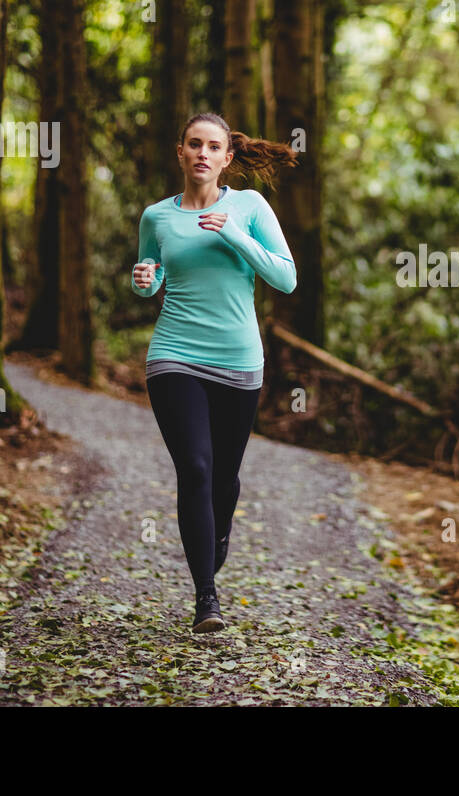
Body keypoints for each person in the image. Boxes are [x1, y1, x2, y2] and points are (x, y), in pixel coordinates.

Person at [130, 113, 298, 632]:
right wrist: (143, 281)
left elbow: (286, 278)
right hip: (174, 355)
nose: (202, 153)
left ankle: (217, 534)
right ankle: (207, 598)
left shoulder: (248, 206)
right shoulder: (156, 217)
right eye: (193, 144)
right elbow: (149, 278)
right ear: (180, 152)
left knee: (223, 478)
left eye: (213, 146)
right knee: (196, 470)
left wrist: (234, 237)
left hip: (239, 361)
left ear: (228, 158)